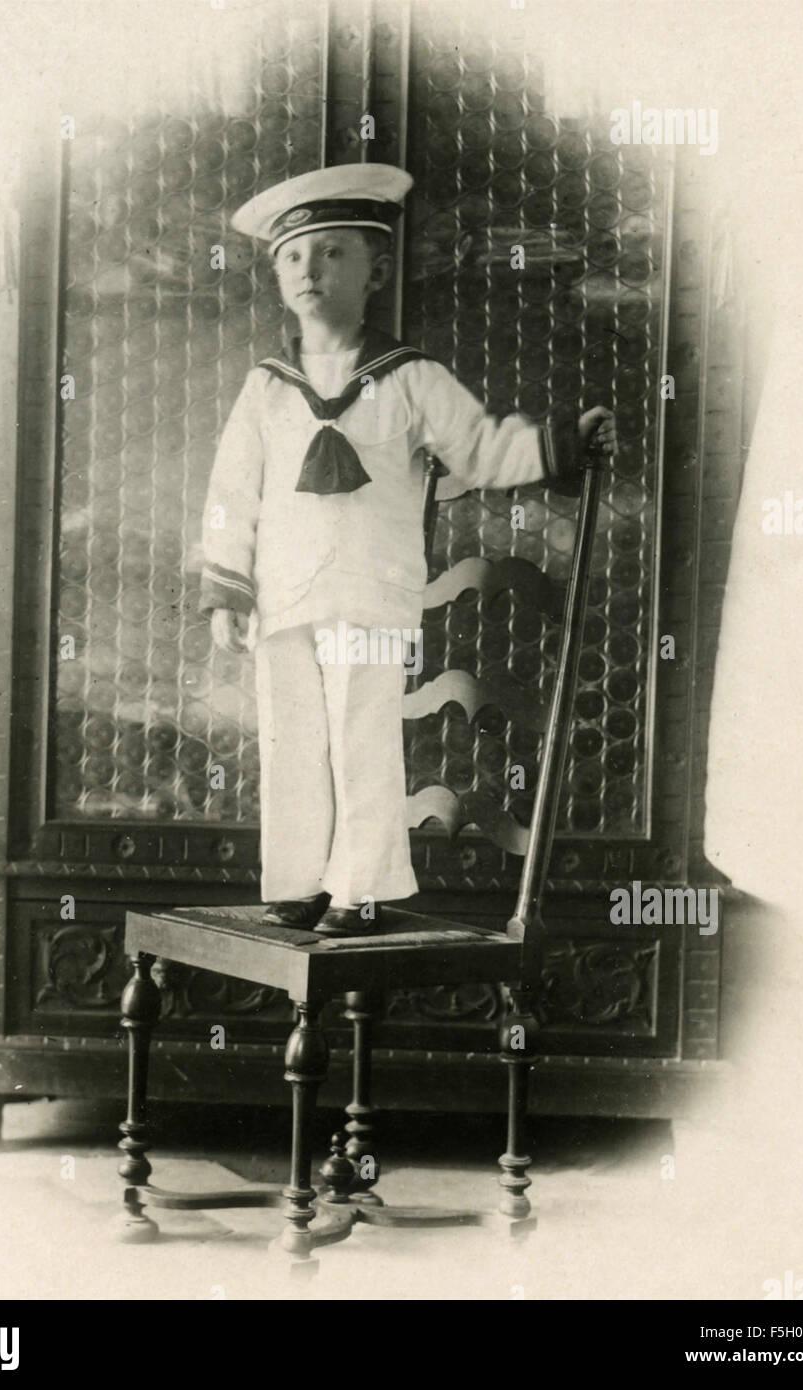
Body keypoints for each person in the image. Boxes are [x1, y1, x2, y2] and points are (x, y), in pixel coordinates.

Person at [196, 164, 616, 937]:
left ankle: (359, 887)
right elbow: (232, 490)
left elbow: (483, 450)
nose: (311, 270)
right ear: (278, 276)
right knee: (292, 738)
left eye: (332, 253)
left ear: (376, 270)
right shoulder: (266, 388)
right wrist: (228, 588)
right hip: (283, 594)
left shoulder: (412, 379)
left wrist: (560, 443)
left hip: (369, 592)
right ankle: (295, 880)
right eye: (294, 256)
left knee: (362, 737)